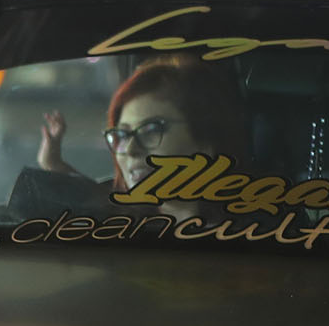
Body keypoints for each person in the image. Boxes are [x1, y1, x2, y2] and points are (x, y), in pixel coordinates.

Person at [37, 59, 249, 221]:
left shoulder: (250, 235)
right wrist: (53, 163)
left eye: (151, 130)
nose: (130, 150)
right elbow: (96, 197)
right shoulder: (122, 223)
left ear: (205, 140)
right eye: (122, 134)